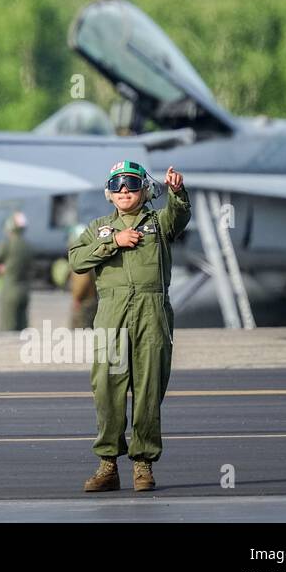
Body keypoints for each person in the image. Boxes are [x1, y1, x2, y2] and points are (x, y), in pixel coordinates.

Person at [68, 161, 189, 493]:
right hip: (112, 311)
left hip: (152, 310)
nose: (124, 191)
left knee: (149, 387)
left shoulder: (158, 222)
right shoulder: (99, 228)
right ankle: (108, 465)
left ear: (144, 190)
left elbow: (179, 217)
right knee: (106, 387)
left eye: (132, 184)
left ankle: (143, 465)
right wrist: (114, 242)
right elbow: (77, 260)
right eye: (118, 185)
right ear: (109, 192)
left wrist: (178, 193)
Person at [0, 211, 32, 332]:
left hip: (10, 291)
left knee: (8, 330)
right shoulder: (28, 246)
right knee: (23, 330)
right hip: (24, 291)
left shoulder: (7, 244)